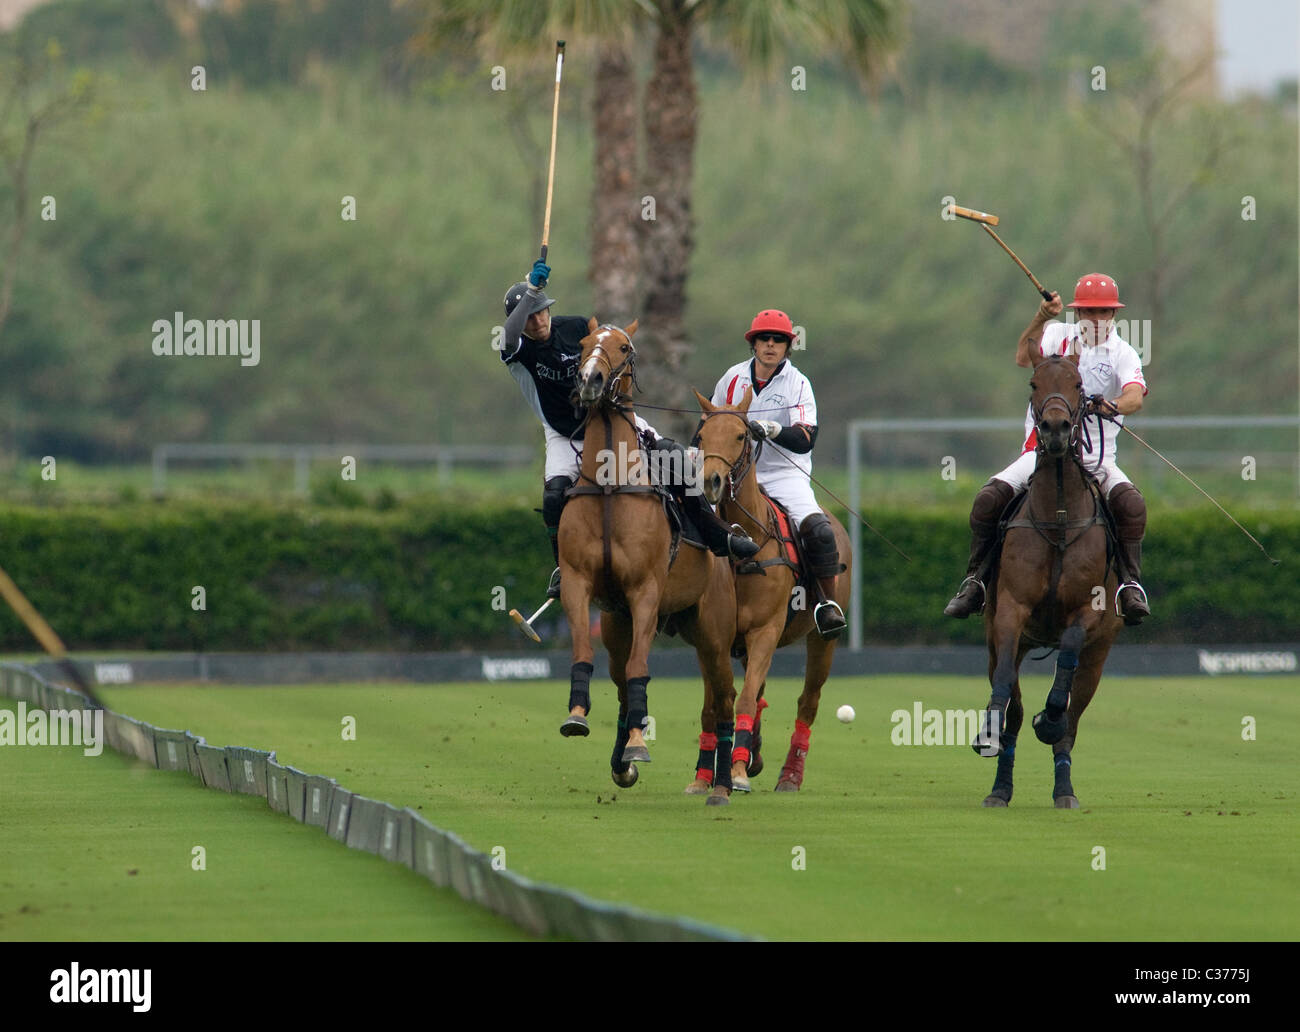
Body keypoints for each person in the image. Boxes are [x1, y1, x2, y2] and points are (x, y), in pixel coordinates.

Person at [501, 259, 757, 599]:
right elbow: (507, 335)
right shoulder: (519, 351)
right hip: (564, 433)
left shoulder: (575, 327)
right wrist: (531, 291)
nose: (538, 321)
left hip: (608, 420)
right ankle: (563, 568)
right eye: (529, 317)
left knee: (676, 461)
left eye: (541, 311)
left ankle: (716, 535)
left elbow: (607, 344)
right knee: (553, 496)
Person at [944, 273, 1150, 625]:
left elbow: (1134, 397)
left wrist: (1111, 405)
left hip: (1096, 460)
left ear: (1114, 315)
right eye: (1088, 312)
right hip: (1039, 455)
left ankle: (1129, 585)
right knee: (988, 499)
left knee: (1132, 505)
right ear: (1077, 313)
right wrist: (1042, 316)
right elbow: (1023, 357)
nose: (1096, 319)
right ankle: (975, 581)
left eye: (1103, 312)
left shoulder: (1123, 353)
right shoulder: (1056, 334)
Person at [711, 308, 846, 640]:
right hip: (736, 476)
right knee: (694, 518)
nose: (770, 345)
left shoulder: (798, 384)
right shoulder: (732, 378)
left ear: (788, 346)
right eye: (764, 339)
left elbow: (806, 438)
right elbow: (712, 421)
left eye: (778, 340)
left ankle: (826, 604)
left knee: (819, 530)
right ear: (753, 344)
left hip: (785, 473)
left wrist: (772, 429)